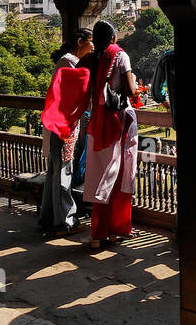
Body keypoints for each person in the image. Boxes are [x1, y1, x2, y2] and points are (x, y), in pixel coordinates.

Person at [81, 20, 141, 249]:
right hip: (118, 122)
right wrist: (135, 86)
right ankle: (117, 229)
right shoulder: (119, 56)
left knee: (99, 176)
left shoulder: (89, 59)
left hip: (97, 121)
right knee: (120, 175)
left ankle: (98, 233)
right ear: (114, 38)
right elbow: (129, 89)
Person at [39, 30, 94, 235]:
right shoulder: (71, 62)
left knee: (54, 172)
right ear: (80, 42)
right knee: (64, 171)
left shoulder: (65, 60)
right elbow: (80, 89)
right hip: (64, 125)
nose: (93, 46)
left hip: (58, 124)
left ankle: (48, 218)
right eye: (91, 42)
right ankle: (65, 221)